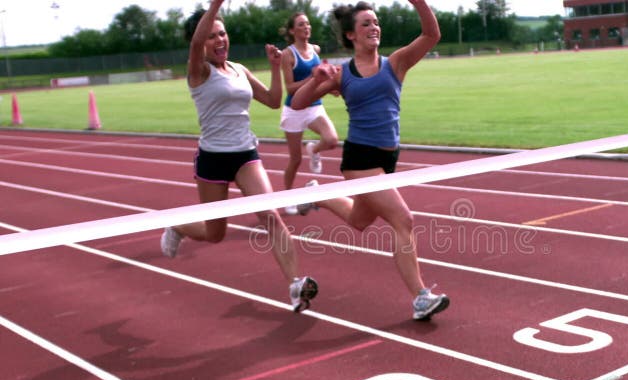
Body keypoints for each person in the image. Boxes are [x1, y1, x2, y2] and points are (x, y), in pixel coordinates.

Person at [291, 0, 449, 321]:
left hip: (388, 157)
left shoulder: (397, 63)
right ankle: (420, 297)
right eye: (365, 23)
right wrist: (315, 78)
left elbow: (431, 35)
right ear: (351, 35)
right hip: (360, 157)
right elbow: (297, 103)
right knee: (403, 220)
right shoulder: (342, 74)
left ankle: (317, 193)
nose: (373, 27)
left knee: (360, 221)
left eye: (375, 22)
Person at [160, 0, 318, 312]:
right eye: (213, 36)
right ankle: (178, 227)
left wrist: (274, 67)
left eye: (223, 34)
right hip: (212, 160)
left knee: (270, 215)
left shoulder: (239, 70)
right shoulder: (198, 71)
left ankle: (295, 285)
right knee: (214, 233)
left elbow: (274, 101)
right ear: (201, 43)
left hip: (246, 154)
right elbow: (194, 43)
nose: (220, 40)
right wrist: (216, 4)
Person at [279, 12, 339, 215]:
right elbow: (290, 88)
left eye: (308, 24)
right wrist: (313, 77)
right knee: (294, 160)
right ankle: (287, 198)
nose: (306, 27)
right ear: (292, 30)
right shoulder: (288, 54)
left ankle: (314, 149)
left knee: (331, 139)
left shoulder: (316, 50)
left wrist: (332, 88)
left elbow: (321, 80)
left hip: (314, 106)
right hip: (294, 110)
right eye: (301, 24)